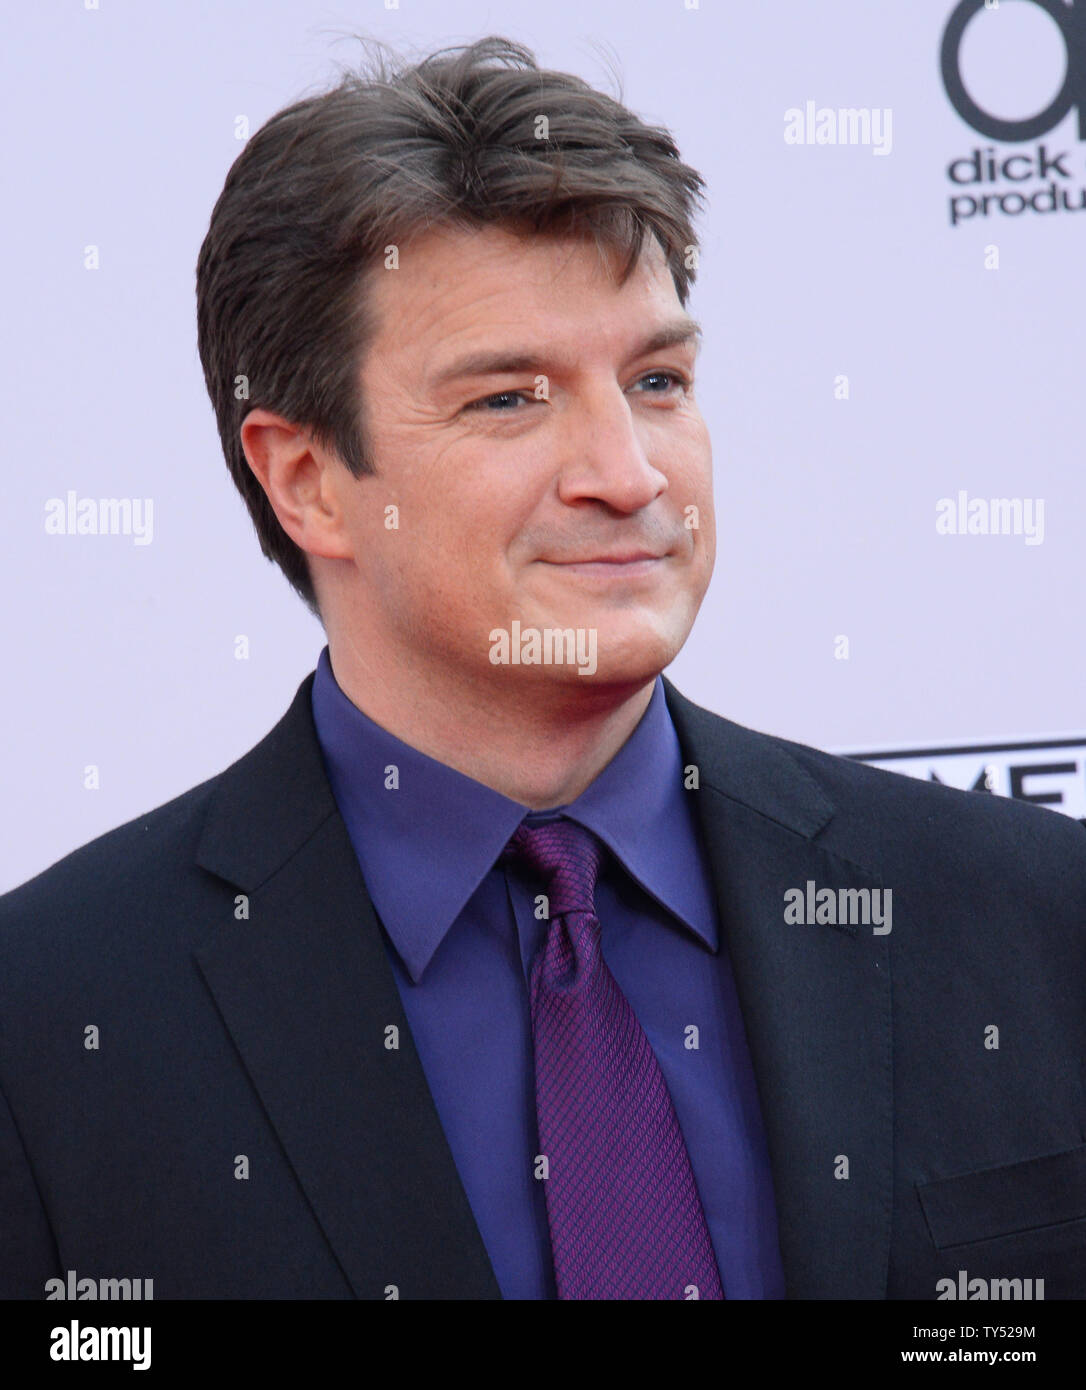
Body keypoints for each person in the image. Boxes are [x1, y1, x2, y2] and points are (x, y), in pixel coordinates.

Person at [2, 35, 1084, 1302]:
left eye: (658, 380)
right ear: (307, 481)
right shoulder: (52, 1023)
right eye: (510, 399)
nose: (628, 474)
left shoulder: (1029, 918)